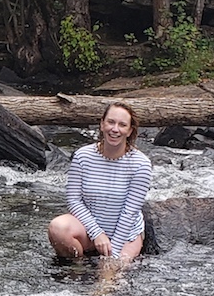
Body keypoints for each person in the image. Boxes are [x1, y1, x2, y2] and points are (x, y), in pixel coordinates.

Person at [47, 102, 152, 267]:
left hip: (126, 234)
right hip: (90, 229)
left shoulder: (141, 164)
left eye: (122, 125)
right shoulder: (82, 156)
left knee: (108, 274)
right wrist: (97, 234)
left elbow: (129, 213)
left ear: (130, 131)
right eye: (111, 122)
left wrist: (112, 255)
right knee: (57, 228)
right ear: (102, 124)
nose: (115, 129)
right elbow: (74, 200)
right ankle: (77, 267)